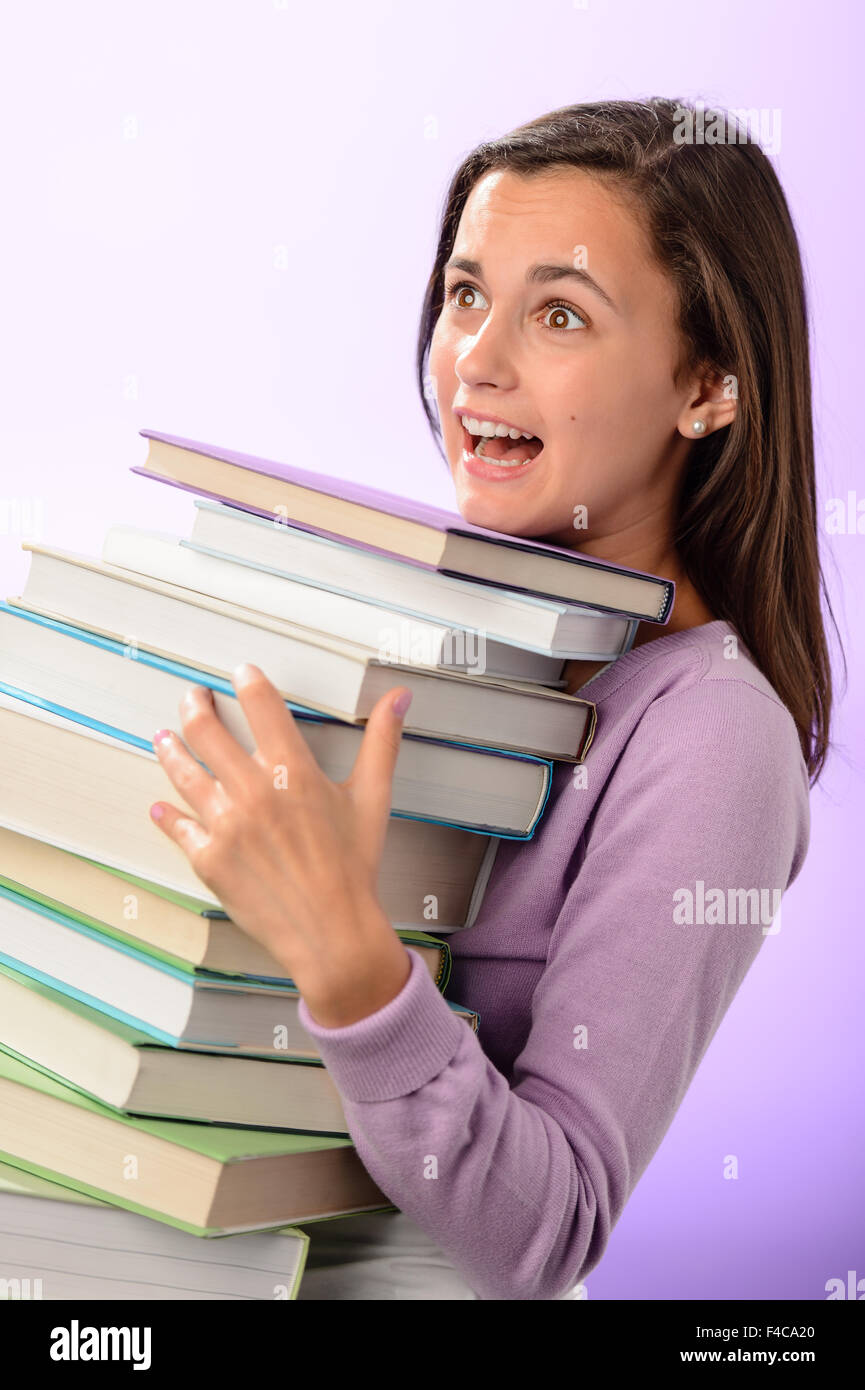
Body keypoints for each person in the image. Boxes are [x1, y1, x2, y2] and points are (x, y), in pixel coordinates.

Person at [149, 99, 839, 1300]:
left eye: (559, 314)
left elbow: (544, 1232)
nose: (476, 359)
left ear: (710, 387)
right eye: (466, 295)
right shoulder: (428, 629)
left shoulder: (716, 733)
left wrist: (351, 962)